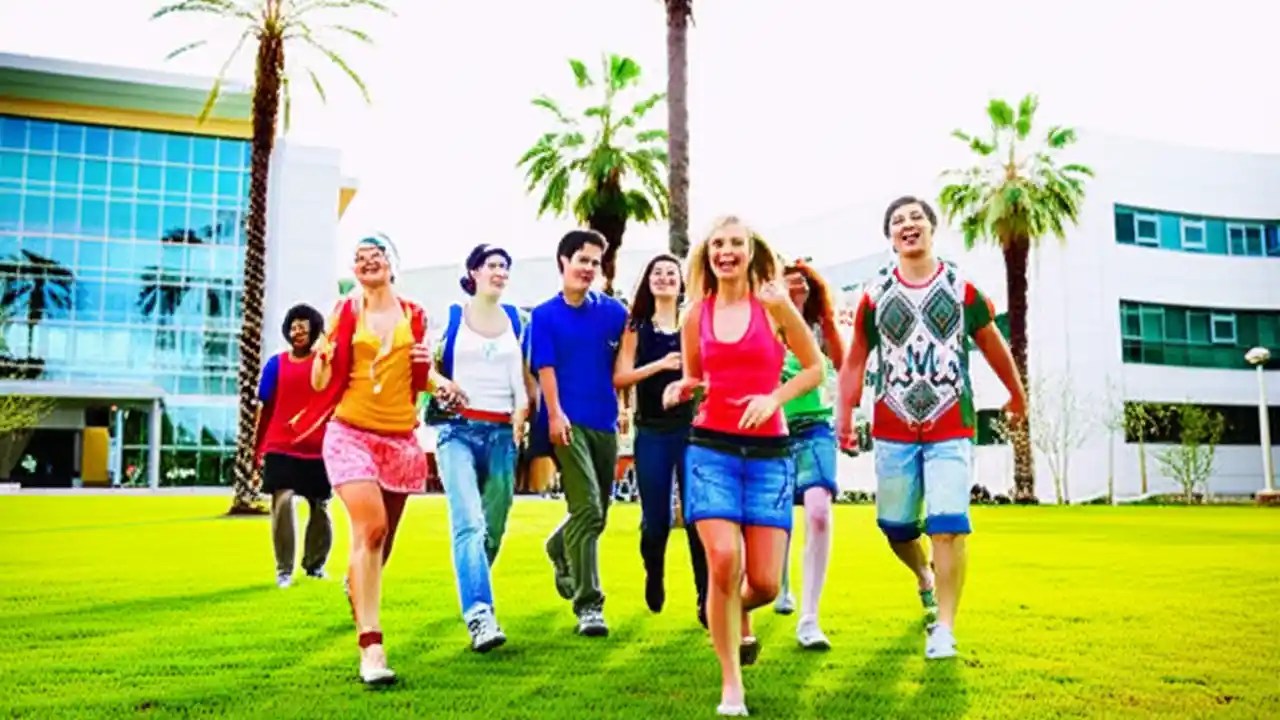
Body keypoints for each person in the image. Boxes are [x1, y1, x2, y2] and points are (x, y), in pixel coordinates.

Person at [835, 196, 1027, 660]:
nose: (907, 225)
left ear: (932, 228)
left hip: (951, 422)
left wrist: (1016, 394)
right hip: (892, 423)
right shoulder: (874, 295)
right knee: (896, 526)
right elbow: (856, 357)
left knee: (947, 524)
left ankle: (943, 627)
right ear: (890, 238)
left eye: (915, 218)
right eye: (898, 221)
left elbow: (992, 341)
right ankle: (922, 575)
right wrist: (845, 414)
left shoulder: (962, 288)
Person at [664, 216, 823, 717]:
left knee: (766, 583)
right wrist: (684, 386)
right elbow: (695, 372)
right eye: (718, 244)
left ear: (751, 252)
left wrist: (774, 396)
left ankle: (724, 610)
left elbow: (817, 367)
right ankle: (732, 686)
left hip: (769, 456)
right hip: (710, 448)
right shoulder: (696, 314)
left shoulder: (773, 306)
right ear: (707, 255)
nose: (726, 251)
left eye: (736, 243)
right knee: (724, 561)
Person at [291, 233, 431, 685]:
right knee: (369, 528)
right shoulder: (345, 312)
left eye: (376, 256)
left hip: (400, 439)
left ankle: (357, 583)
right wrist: (321, 357)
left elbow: (418, 378)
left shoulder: (414, 315)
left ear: (392, 263)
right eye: (359, 258)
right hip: (349, 433)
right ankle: (371, 647)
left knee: (380, 542)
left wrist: (440, 380)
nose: (367, 262)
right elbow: (319, 382)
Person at [428, 243, 531, 652]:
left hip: (503, 433)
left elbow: (522, 374)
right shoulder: (452, 317)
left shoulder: (517, 320)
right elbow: (428, 366)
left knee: (494, 525)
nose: (500, 272)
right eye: (492, 265)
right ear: (473, 272)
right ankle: (479, 616)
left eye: (505, 266)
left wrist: (523, 409)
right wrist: (442, 384)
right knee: (468, 522)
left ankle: (474, 577)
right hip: (457, 431)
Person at [530, 229, 628, 637]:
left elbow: (623, 367)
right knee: (587, 507)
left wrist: (625, 409)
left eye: (595, 262)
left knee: (597, 513)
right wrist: (555, 415)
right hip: (565, 422)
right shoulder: (544, 315)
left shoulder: (615, 313)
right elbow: (545, 369)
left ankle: (558, 545)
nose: (589, 268)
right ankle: (589, 605)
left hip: (604, 421)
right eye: (582, 260)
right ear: (563, 262)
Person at [612, 253, 709, 626]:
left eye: (672, 273)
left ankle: (704, 597)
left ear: (682, 282)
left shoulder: (694, 324)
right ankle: (654, 572)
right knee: (656, 520)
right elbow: (620, 378)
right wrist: (662, 366)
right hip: (652, 430)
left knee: (698, 516)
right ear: (648, 281)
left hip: (692, 432)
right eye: (658, 272)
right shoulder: (637, 326)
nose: (665, 278)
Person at [771, 259, 845, 649]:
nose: (795, 288)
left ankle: (811, 619)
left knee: (817, 512)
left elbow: (845, 368)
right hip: (773, 428)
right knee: (777, 516)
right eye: (789, 283)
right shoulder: (764, 325)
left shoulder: (822, 327)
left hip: (815, 426)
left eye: (802, 285)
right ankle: (780, 584)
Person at [254, 303, 332, 589]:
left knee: (319, 507)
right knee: (283, 501)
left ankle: (314, 565)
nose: (297, 331)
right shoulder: (276, 364)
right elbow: (264, 407)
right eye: (293, 326)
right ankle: (283, 570)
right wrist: (256, 447)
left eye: (304, 326)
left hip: (317, 448)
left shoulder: (324, 364)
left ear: (314, 330)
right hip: (280, 446)